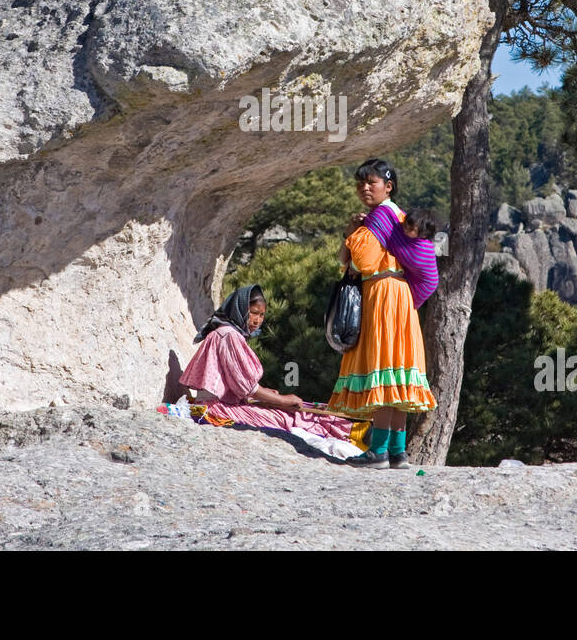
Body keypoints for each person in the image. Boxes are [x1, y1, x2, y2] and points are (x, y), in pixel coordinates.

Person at [329, 159, 436, 468]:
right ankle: (398, 453)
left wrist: (353, 231)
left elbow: (358, 262)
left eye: (371, 182)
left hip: (381, 294)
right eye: (360, 182)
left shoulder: (379, 217)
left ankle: (377, 451)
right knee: (398, 372)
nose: (364, 188)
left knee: (382, 367)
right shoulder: (404, 219)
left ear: (387, 187)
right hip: (402, 298)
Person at [179, 284, 356, 444]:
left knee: (297, 412)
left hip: (225, 404)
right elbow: (247, 388)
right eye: (253, 313)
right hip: (217, 409)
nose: (257, 320)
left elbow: (240, 385)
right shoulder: (229, 336)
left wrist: (265, 395)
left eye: (262, 315)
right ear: (240, 309)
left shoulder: (228, 333)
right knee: (287, 419)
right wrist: (282, 399)